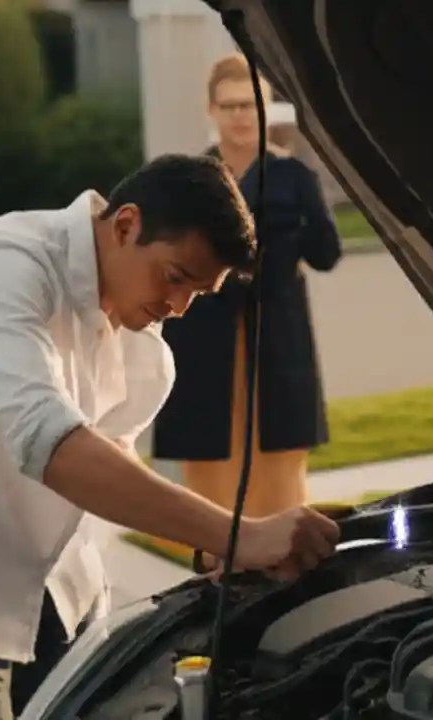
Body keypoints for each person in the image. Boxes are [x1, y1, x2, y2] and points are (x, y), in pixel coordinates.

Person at [0, 154, 340, 719]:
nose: (178, 308)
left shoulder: (142, 333)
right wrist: (239, 534)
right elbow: (49, 440)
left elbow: (109, 452)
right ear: (126, 225)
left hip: (62, 579)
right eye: (176, 278)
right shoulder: (4, 264)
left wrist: (204, 542)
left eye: (198, 295)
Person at [151, 53, 342, 519]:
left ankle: (283, 569)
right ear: (212, 111)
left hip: (276, 338)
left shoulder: (294, 176)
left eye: (249, 105)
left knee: (280, 471)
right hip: (203, 342)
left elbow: (327, 254)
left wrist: (292, 228)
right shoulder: (188, 180)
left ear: (265, 109)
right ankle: (213, 573)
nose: (241, 116)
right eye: (230, 106)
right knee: (208, 476)